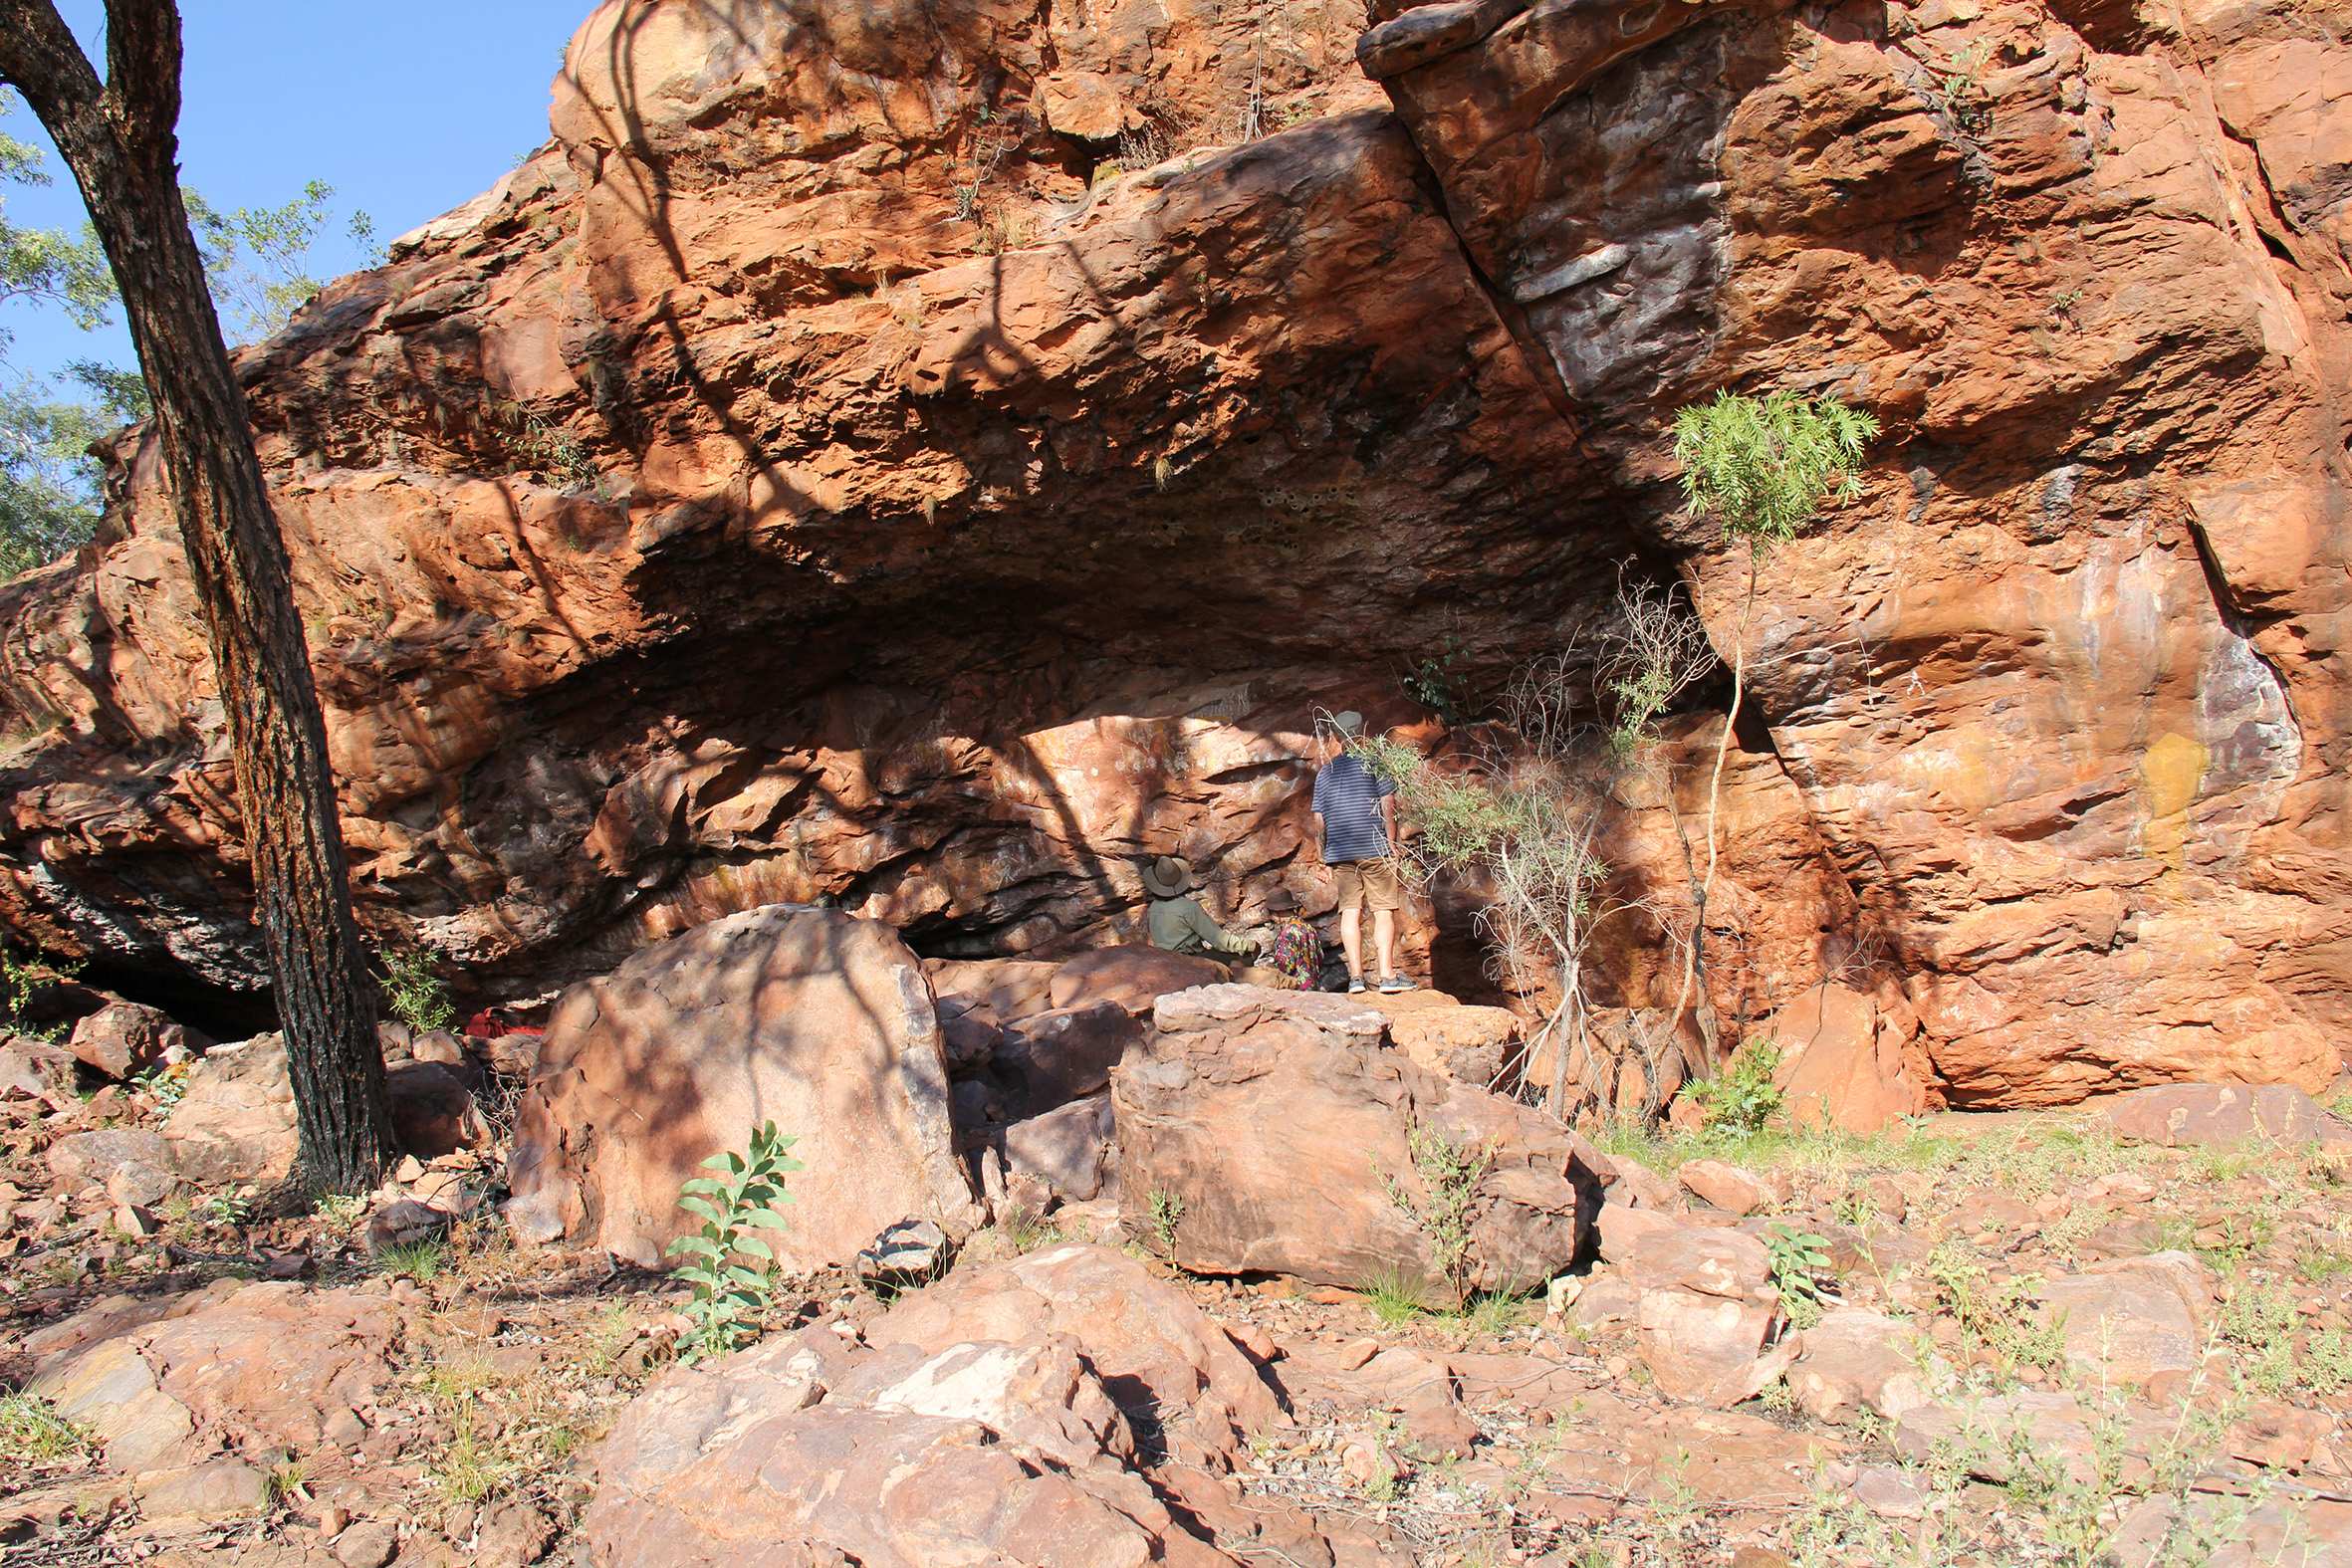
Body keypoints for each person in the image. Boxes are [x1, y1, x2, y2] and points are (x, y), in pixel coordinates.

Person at [1310, 710, 1412, 994]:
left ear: (1337, 737)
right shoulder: (1374, 763)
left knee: (1350, 911)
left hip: (1341, 851)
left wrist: (1322, 852)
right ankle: (1387, 977)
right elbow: (1388, 804)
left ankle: (1356, 978)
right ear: (1362, 732)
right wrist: (1392, 842)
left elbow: (1319, 819)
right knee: (1382, 911)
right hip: (1375, 848)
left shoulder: (1325, 773)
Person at [1142, 855, 1258, 962]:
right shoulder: (1188, 907)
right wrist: (1249, 946)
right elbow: (1217, 939)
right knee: (1239, 959)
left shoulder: (1154, 906)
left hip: (1164, 958)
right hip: (1187, 959)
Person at [1256, 887, 1320, 991]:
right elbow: (1319, 956)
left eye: (1271, 914)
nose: (1272, 919)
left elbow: (1284, 966)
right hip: (1314, 986)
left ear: (1277, 913)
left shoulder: (1287, 934)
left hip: (1296, 988)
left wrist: (1268, 966)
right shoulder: (1308, 928)